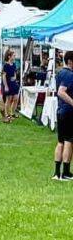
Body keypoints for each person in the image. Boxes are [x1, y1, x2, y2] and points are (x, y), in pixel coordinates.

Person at [51, 50, 73, 180]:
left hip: (60, 110)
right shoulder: (70, 75)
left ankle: (56, 172)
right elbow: (61, 91)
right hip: (68, 111)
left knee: (60, 141)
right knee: (69, 141)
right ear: (70, 61)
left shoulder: (59, 73)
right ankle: (65, 172)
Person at [1, 49, 20, 123]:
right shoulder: (6, 65)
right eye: (13, 55)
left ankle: (13, 113)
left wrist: (15, 77)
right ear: (9, 57)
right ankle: (7, 114)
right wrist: (5, 86)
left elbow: (14, 72)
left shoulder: (14, 64)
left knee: (15, 98)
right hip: (8, 83)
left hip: (13, 83)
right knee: (8, 99)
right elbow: (4, 76)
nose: (15, 57)